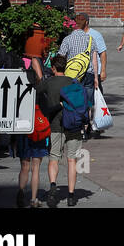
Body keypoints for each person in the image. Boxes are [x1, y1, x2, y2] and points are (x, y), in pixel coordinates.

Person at [37, 53, 86, 207]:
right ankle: (71, 195)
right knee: (72, 160)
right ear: (65, 67)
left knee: (54, 157)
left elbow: (35, 92)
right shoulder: (73, 82)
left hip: (55, 125)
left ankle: (53, 186)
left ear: (53, 68)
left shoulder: (49, 82)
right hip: (74, 125)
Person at [15, 59, 50, 208]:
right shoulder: (40, 92)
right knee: (36, 166)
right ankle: (34, 199)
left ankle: (21, 191)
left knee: (24, 166)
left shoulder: (18, 91)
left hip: (23, 130)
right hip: (38, 130)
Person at [58, 12, 107, 90]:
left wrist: (103, 71)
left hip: (76, 73)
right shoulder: (90, 38)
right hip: (89, 73)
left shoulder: (95, 35)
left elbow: (102, 53)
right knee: (89, 99)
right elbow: (94, 59)